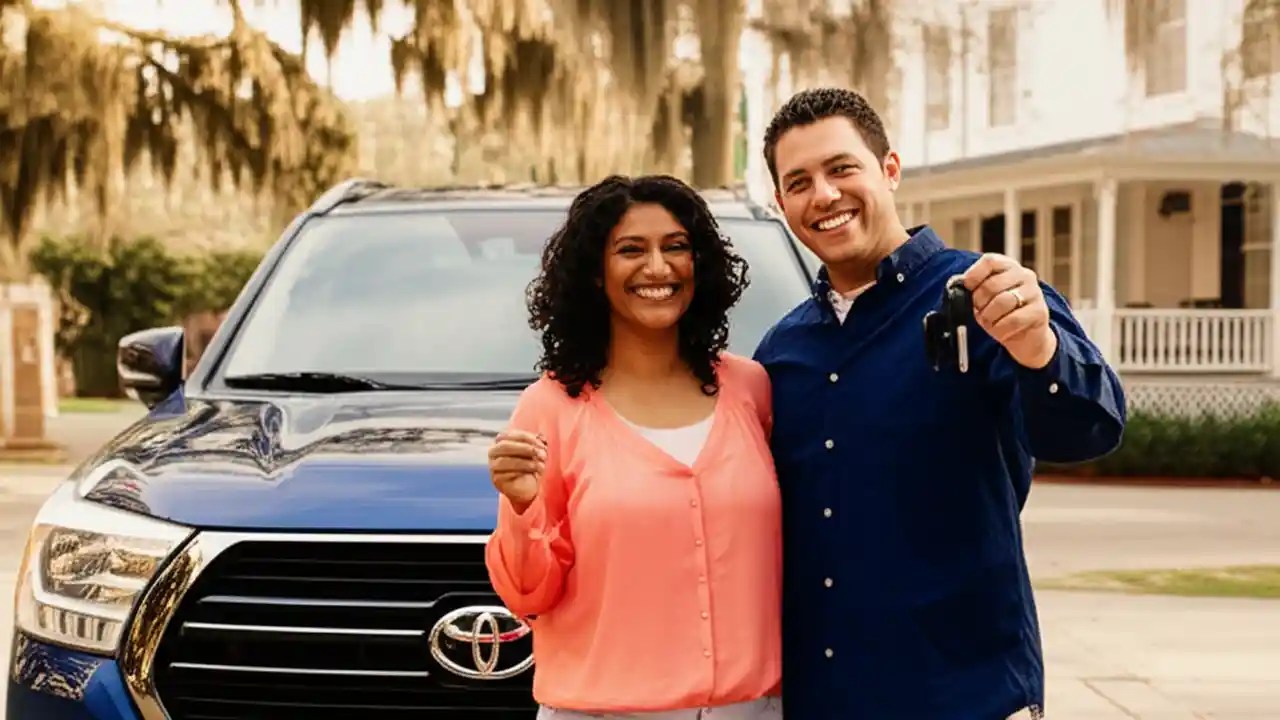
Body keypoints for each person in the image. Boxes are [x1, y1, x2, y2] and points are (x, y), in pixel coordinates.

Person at [753, 87, 1127, 719]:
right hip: (825, 700)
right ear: (782, 204)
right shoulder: (780, 353)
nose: (824, 195)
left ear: (889, 170)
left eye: (842, 168)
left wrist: (1039, 347)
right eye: (799, 182)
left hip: (968, 696)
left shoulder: (989, 295)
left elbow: (1089, 429)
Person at [483, 174, 784, 720]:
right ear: (595, 275)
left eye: (676, 247)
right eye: (630, 250)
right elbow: (529, 596)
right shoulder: (550, 407)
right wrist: (522, 508)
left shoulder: (751, 389)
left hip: (755, 710)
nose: (658, 268)